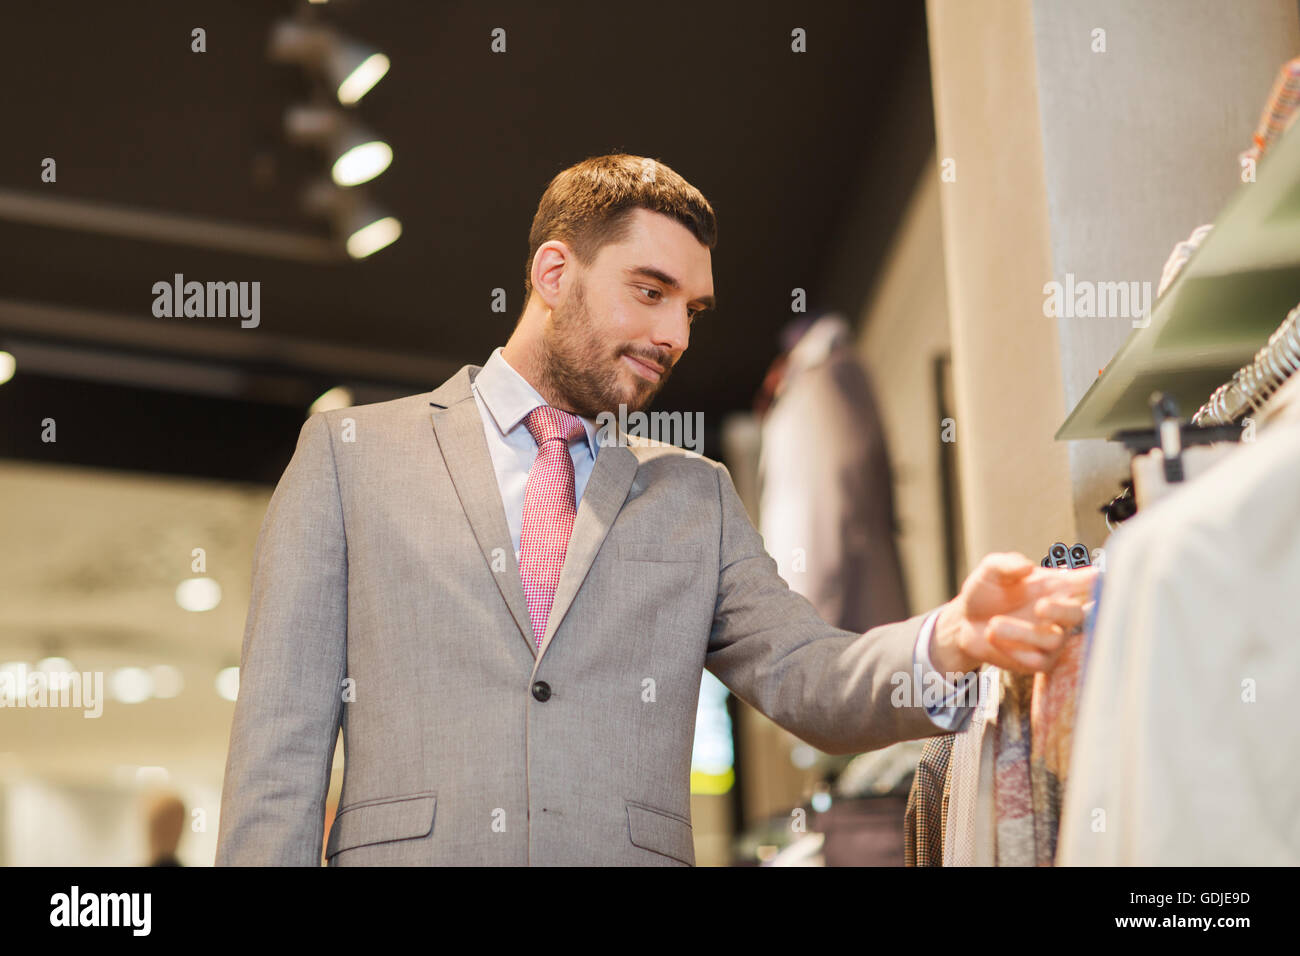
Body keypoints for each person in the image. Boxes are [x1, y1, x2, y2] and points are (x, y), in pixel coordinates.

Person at [215, 153, 1094, 866]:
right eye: (650, 291)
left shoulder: (696, 494)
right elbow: (278, 758)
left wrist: (948, 643)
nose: (677, 335)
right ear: (554, 272)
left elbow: (809, 676)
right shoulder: (350, 458)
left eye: (692, 309)